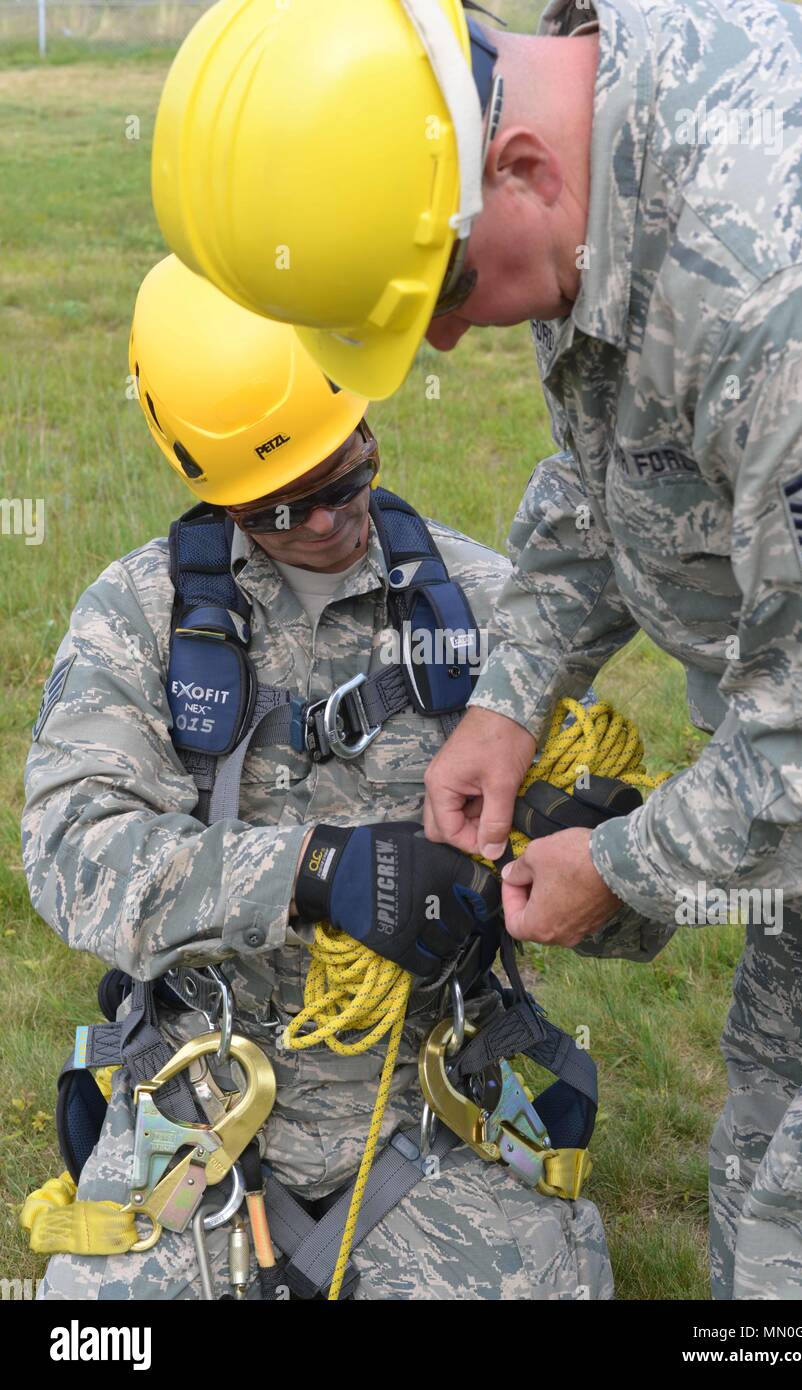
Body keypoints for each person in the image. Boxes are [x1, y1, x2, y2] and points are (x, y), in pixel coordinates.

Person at [149, 0, 802, 1299]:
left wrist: (622, 868)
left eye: (443, 292)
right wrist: (509, 696)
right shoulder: (573, 147)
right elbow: (614, 476)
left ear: (519, 167)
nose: (431, 342)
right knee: (765, 1137)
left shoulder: (778, 291)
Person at [21, 254, 614, 1301]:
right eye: (280, 509)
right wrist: (310, 870)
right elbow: (71, 856)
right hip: (201, 1097)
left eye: (348, 475)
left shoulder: (488, 610)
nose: (329, 521)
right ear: (214, 490)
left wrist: (600, 856)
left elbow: (632, 923)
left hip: (433, 1101)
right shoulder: (138, 618)